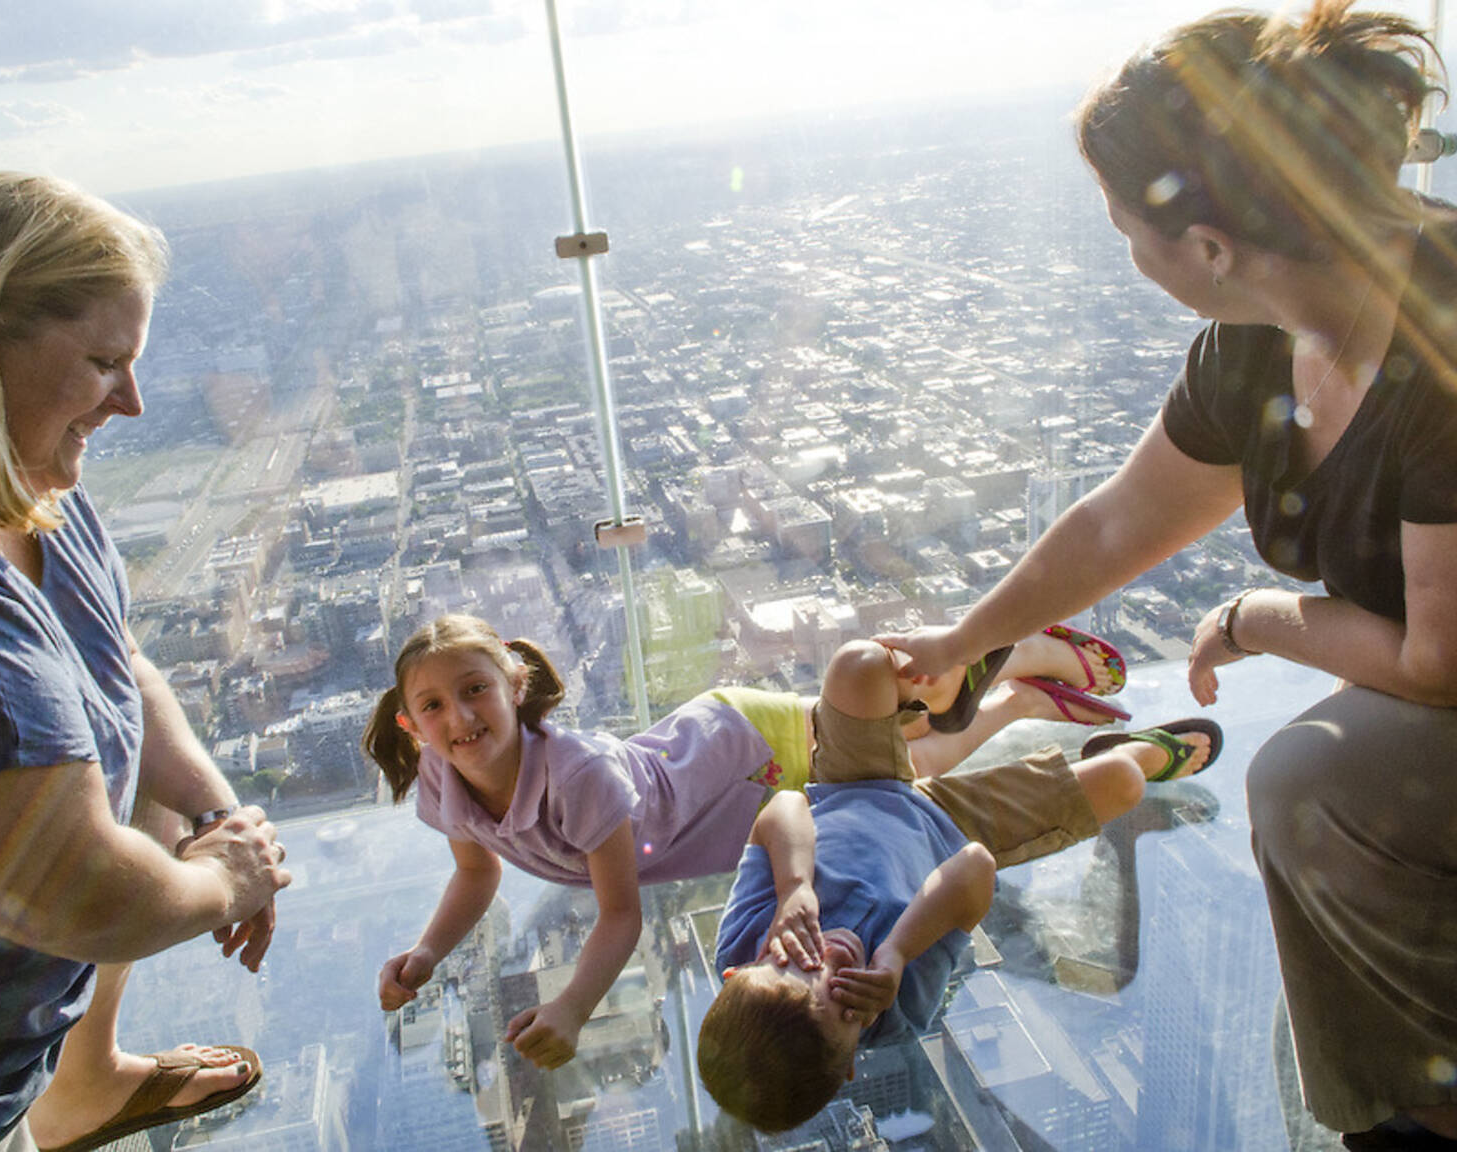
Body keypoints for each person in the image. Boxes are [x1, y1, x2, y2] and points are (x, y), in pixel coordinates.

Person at [878, 3, 1457, 1145]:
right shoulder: (1261, 335)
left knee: (1313, 781)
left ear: (1208, 246)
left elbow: (1438, 658)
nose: (1127, 258)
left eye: (1123, 226)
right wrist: (961, 646)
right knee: (1311, 785)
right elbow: (1118, 526)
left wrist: (1256, 619)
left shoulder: (1440, 335)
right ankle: (1396, 1118)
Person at [0, 173, 292, 1152]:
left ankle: (81, 1086)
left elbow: (120, 668)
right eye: (101, 362)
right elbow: (68, 888)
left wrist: (219, 817)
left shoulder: (40, 496)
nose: (130, 400)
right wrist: (225, 885)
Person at [365, 612, 1128, 1070]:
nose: (460, 718)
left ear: (513, 686)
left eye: (474, 690)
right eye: (434, 705)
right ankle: (1018, 696)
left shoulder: (576, 777)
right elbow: (475, 874)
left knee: (911, 758)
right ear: (411, 725)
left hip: (740, 759)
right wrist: (428, 953)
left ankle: (1018, 658)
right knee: (910, 755)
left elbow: (620, 917)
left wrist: (573, 1007)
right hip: (712, 770)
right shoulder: (443, 778)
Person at [695, 638, 1221, 1133]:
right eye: (845, 1001)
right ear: (854, 1056)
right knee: (1125, 784)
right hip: (949, 828)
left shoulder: (743, 937)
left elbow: (786, 807)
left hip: (854, 785)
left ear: (739, 968)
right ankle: (1136, 751)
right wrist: (898, 952)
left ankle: (950, 697)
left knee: (859, 664)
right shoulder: (898, 1010)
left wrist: (794, 888)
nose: (834, 958)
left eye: (796, 962)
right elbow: (974, 867)